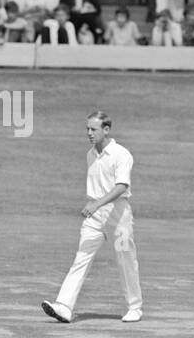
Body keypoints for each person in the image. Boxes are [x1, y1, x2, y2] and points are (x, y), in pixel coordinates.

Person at [42, 111, 143, 324]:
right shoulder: (91, 155)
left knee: (126, 260)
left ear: (106, 130)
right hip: (94, 217)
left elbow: (122, 186)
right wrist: (94, 205)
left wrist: (96, 204)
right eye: (87, 129)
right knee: (82, 257)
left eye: (93, 129)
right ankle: (64, 307)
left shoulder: (121, 154)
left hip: (119, 215)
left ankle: (135, 307)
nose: (89, 133)